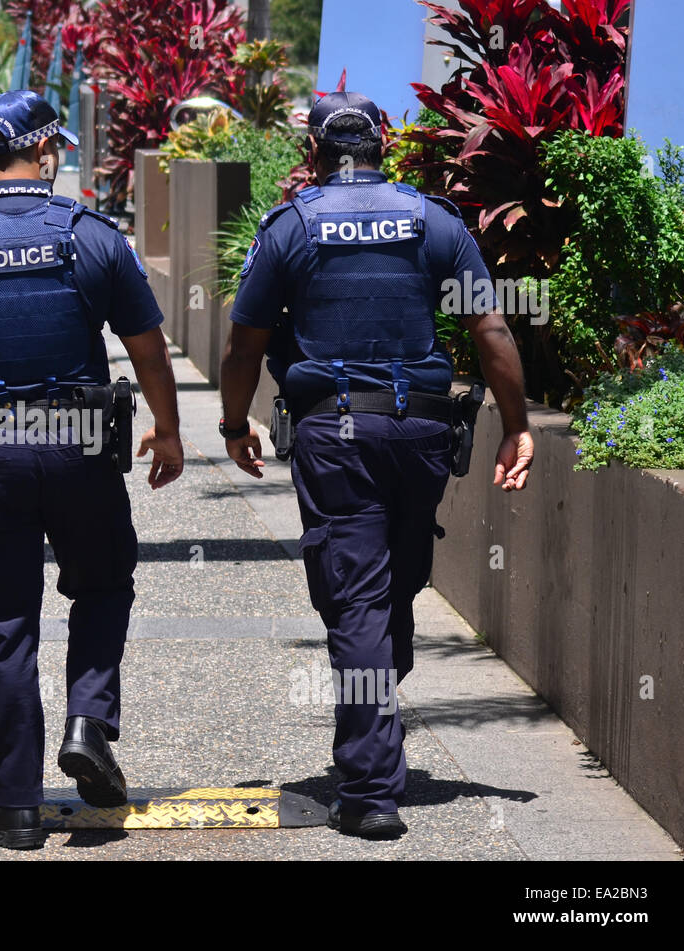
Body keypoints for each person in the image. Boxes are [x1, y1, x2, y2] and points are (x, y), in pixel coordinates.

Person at [219, 91, 534, 840]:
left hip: (338, 435)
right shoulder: (435, 222)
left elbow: (244, 342)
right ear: (382, 146)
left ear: (317, 152)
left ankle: (367, 790)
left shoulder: (292, 227)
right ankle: (376, 732)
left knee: (357, 598)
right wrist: (517, 426)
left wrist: (236, 422)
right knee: (392, 585)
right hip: (421, 434)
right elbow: (489, 327)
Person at [0, 90, 184, 850]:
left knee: (5, 621)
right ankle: (88, 719)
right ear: (44, 152)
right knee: (104, 583)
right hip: (82, 447)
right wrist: (169, 429)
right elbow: (147, 346)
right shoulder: (93, 238)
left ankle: (15, 806)